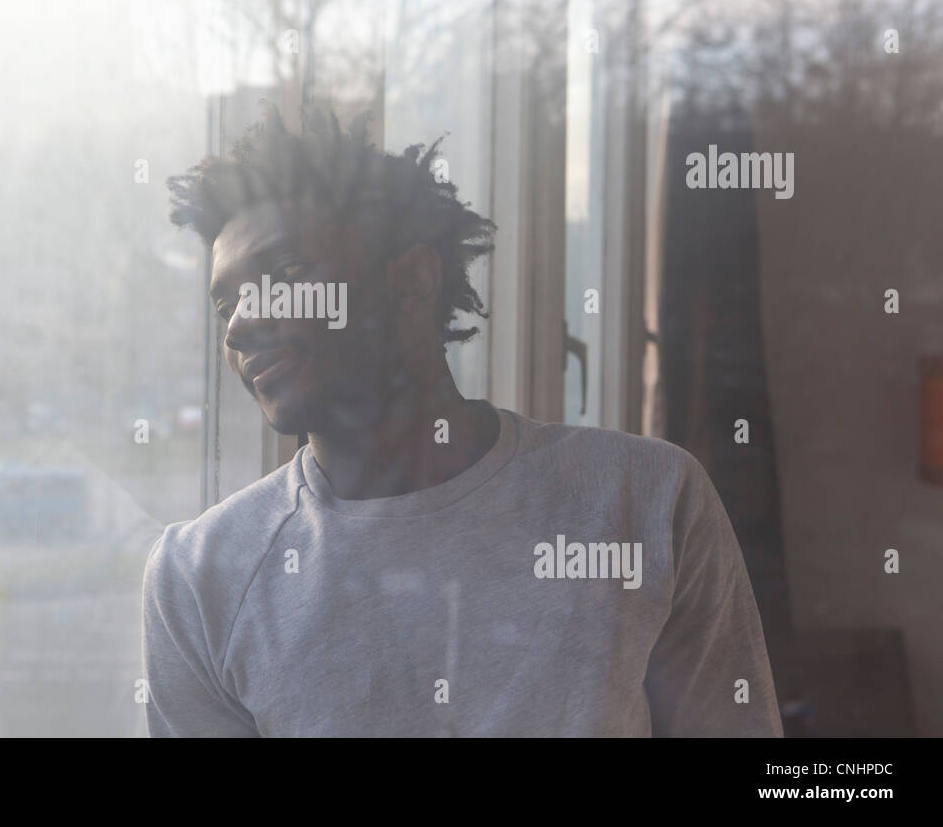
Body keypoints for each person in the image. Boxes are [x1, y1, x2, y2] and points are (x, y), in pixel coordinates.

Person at [140, 105, 783, 737]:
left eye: (287, 274)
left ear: (414, 281)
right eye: (227, 301)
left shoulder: (644, 498)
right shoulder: (199, 578)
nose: (241, 323)